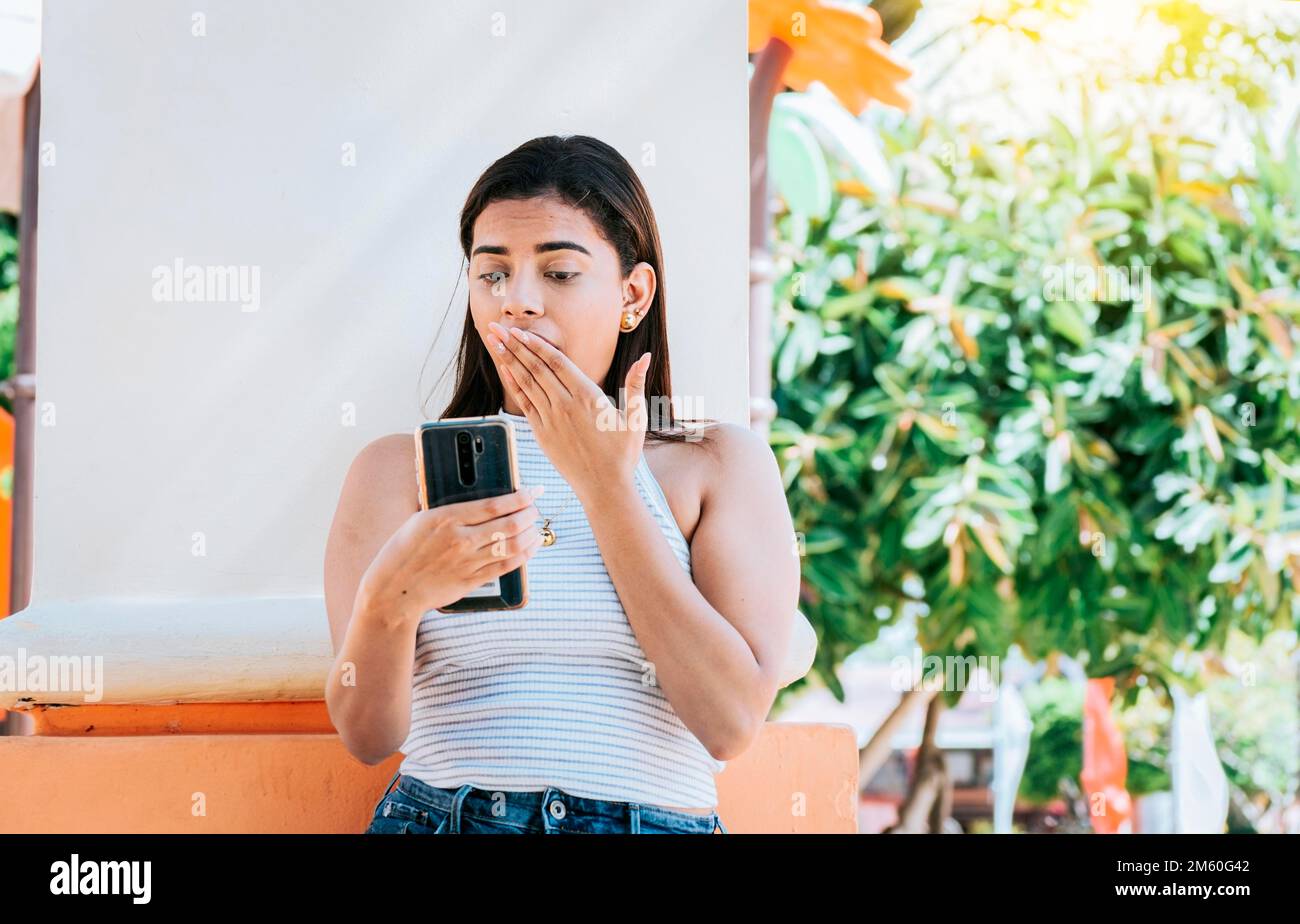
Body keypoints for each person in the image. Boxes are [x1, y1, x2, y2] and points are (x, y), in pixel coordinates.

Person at [324, 135, 800, 834]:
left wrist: (608, 487)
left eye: (559, 272)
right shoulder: (398, 471)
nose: (517, 301)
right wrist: (388, 604)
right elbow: (367, 737)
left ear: (633, 294)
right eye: (492, 275)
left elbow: (728, 722)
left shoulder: (718, 462)